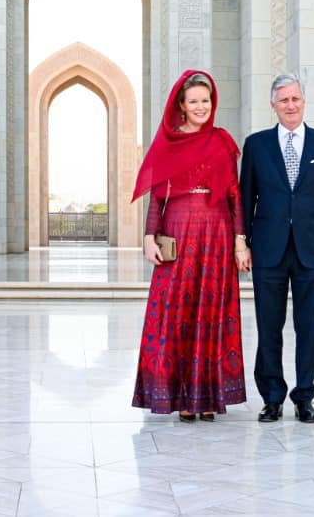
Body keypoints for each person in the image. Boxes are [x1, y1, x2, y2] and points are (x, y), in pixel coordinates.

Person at [130, 70, 249, 421]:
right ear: (181, 105)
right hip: (178, 233)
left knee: (212, 313)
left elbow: (234, 194)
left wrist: (240, 241)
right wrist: (148, 237)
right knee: (176, 312)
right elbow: (157, 197)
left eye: (205, 101)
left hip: (216, 235)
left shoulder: (221, 141)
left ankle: (208, 396)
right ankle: (181, 395)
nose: (200, 107)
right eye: (193, 101)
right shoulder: (168, 142)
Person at [238, 73, 314, 424]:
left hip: (312, 249)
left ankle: (304, 397)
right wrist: (242, 243)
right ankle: (271, 399)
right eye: (283, 100)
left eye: (295, 99)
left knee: (308, 326)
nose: (290, 105)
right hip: (267, 250)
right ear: (273, 104)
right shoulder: (256, 145)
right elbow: (245, 199)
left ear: (304, 102)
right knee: (269, 327)